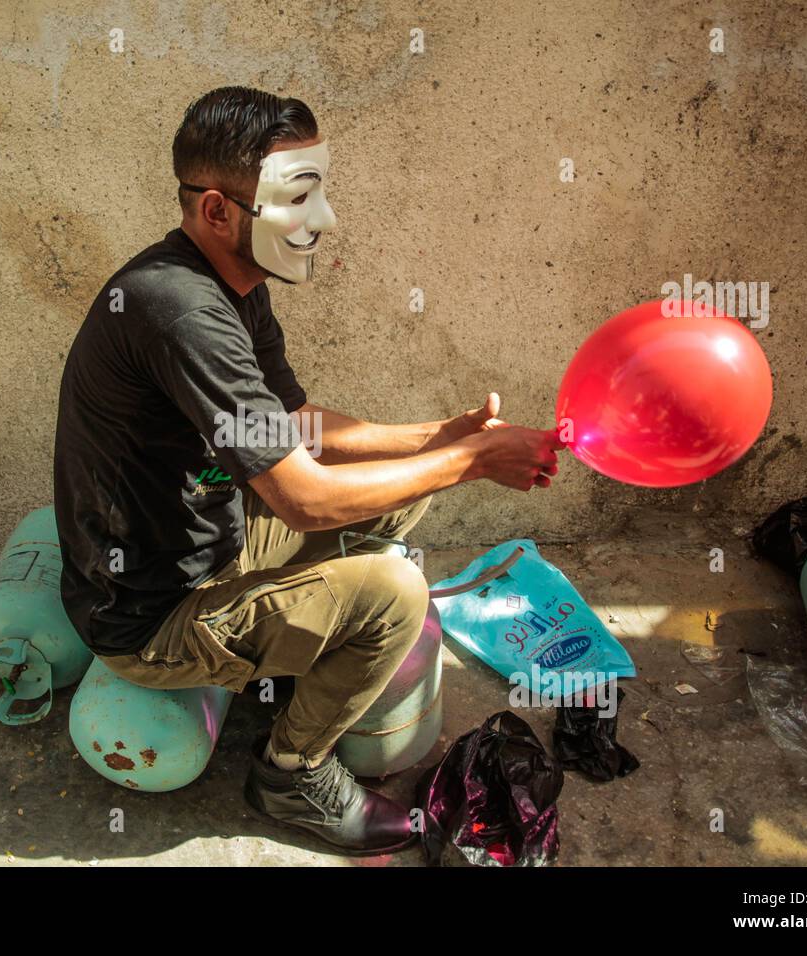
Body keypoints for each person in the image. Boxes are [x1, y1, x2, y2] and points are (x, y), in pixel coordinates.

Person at [53, 86, 563, 854]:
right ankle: (292, 773)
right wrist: (471, 461)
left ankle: (318, 650)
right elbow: (301, 498)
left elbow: (295, 428)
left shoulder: (231, 284)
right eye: (296, 198)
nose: (320, 221)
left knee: (401, 500)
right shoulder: (181, 311)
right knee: (395, 591)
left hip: (210, 540)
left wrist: (438, 438)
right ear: (218, 210)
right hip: (147, 614)